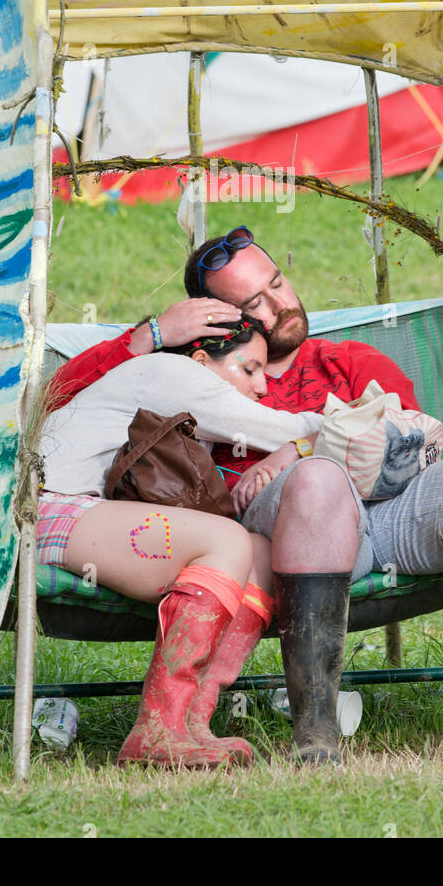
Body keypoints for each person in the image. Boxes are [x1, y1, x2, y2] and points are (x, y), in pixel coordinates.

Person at [49, 228, 443, 764]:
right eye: (254, 303)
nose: (281, 305)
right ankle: (315, 733)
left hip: (390, 520)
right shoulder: (207, 378)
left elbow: (409, 435)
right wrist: (149, 333)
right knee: (319, 480)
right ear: (222, 318)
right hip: (289, 533)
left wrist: (292, 449)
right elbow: (61, 398)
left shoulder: (345, 360)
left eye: (277, 283)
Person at [39, 314, 321, 768]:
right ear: (201, 358)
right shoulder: (173, 374)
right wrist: (373, 419)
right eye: (249, 368)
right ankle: (157, 730)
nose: (262, 385)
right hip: (44, 508)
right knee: (227, 540)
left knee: (258, 554)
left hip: (87, 517)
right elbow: (283, 427)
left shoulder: (186, 402)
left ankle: (191, 721)